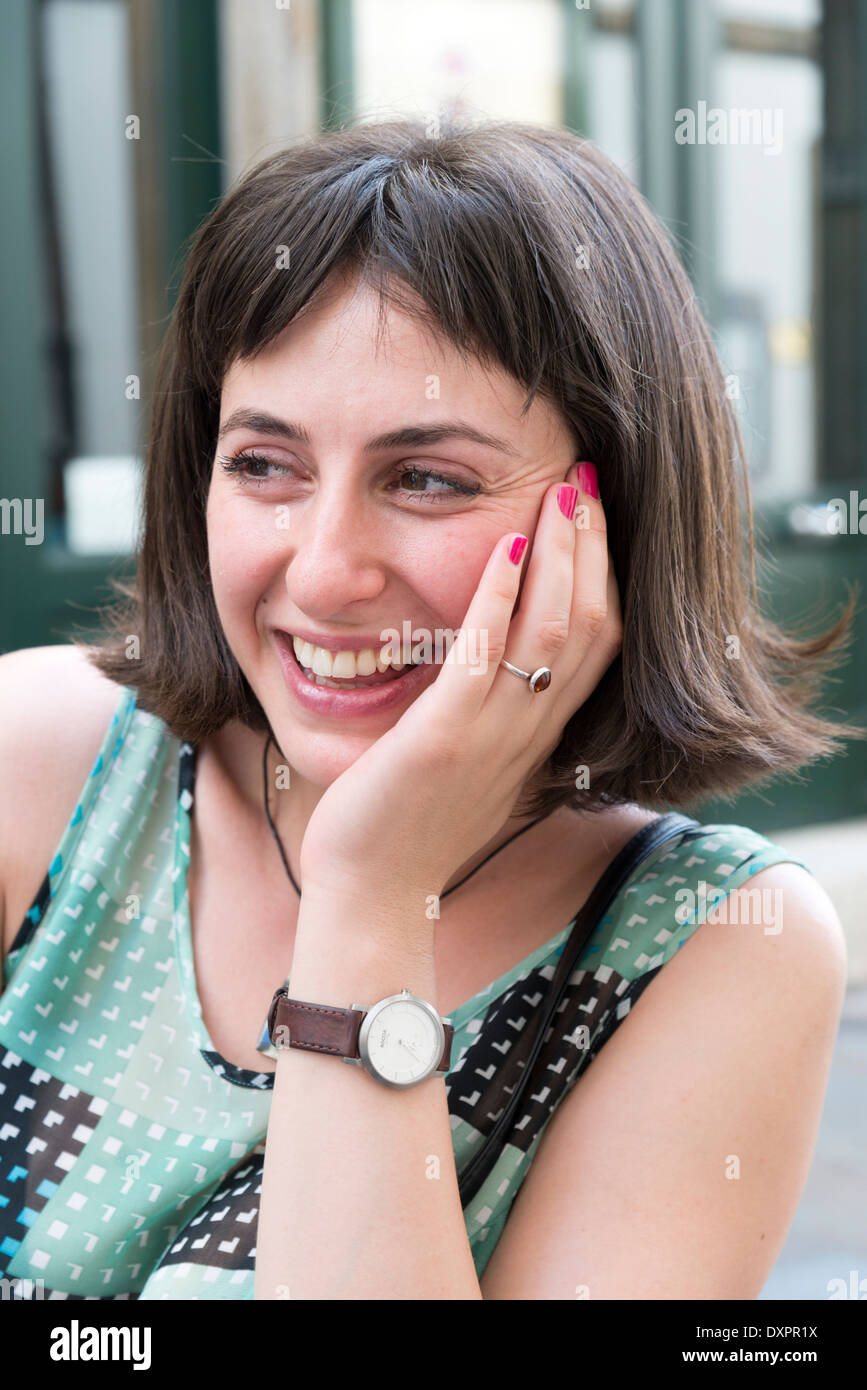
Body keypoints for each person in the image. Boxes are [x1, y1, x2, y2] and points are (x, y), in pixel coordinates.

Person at [0, 118, 861, 1302]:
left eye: (425, 478)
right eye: (264, 463)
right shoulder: (40, 762)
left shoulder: (707, 945)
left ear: (603, 522)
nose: (323, 571)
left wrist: (371, 893)